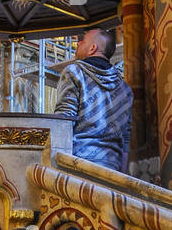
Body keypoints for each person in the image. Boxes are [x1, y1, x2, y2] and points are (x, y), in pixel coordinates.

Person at [52, 27, 133, 172]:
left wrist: (56, 166)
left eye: (82, 41)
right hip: (112, 166)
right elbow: (126, 139)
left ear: (92, 48)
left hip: (78, 163)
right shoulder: (125, 88)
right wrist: (123, 175)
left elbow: (64, 120)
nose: (77, 44)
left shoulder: (74, 72)